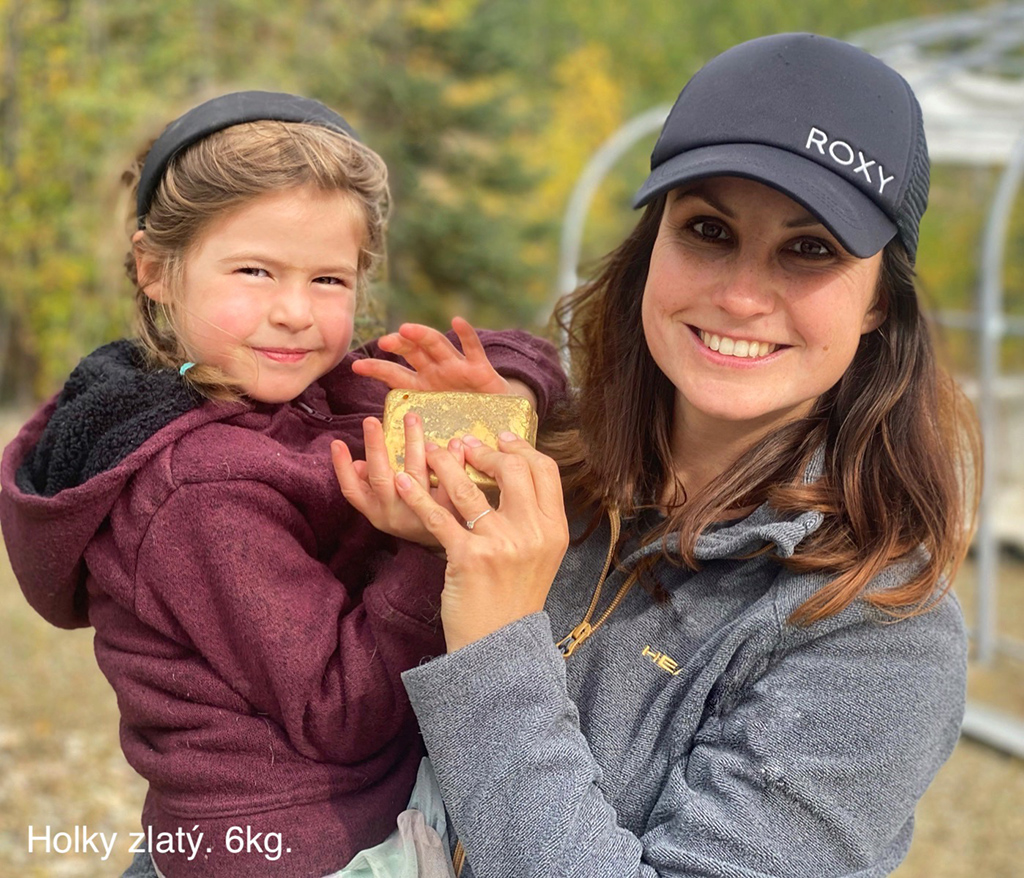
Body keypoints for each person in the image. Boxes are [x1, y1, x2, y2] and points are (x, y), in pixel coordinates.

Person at [335, 33, 981, 877]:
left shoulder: (881, 634)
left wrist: (496, 646)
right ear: (650, 253)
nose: (743, 295)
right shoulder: (550, 486)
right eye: (708, 229)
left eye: (811, 248)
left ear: (876, 306)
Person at [0, 91, 565, 878]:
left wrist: (502, 391)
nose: (296, 313)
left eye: (329, 279)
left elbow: (520, 352)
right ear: (155, 270)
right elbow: (342, 713)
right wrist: (431, 547)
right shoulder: (196, 487)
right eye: (255, 271)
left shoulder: (302, 384)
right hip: (305, 850)